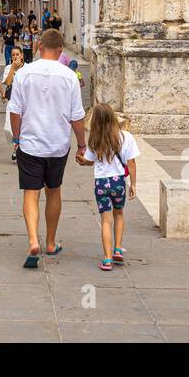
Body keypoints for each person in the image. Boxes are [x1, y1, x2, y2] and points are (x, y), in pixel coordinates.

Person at [7, 28, 86, 268]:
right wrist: (82, 145)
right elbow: (77, 117)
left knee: (31, 193)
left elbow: (14, 111)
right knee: (54, 191)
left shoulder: (24, 73)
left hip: (30, 144)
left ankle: (33, 240)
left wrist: (17, 138)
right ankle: (50, 243)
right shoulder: (69, 76)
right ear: (61, 49)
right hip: (57, 145)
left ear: (39, 46)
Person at [76, 102, 138, 271]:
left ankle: (107, 259)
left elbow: (89, 161)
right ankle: (117, 249)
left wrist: (81, 161)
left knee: (105, 220)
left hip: (101, 183)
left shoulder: (95, 140)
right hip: (118, 182)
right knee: (119, 214)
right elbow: (131, 162)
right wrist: (133, 184)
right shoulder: (126, 137)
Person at [3, 46, 26, 161]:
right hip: (12, 100)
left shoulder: (27, 68)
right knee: (9, 127)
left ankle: (18, 149)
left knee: (23, 127)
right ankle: (16, 145)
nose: (16, 57)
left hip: (25, 101)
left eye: (17, 54)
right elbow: (8, 82)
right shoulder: (8, 68)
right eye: (13, 55)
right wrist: (12, 67)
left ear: (22, 55)